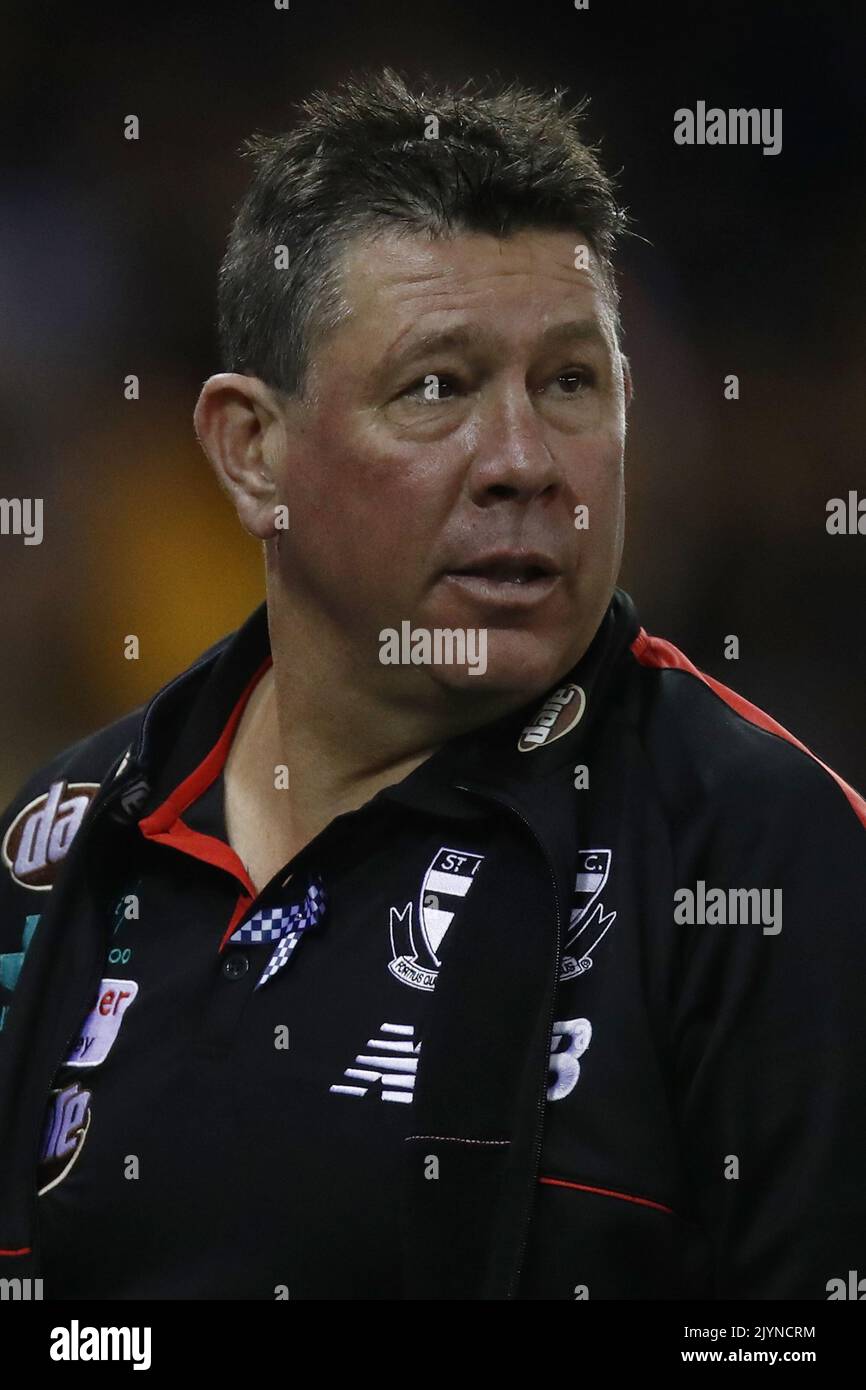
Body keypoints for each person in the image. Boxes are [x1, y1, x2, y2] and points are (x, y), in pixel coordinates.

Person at [1, 68, 864, 1301]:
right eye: (436, 387)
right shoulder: (62, 846)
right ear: (252, 451)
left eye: (569, 383)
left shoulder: (757, 850)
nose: (522, 461)